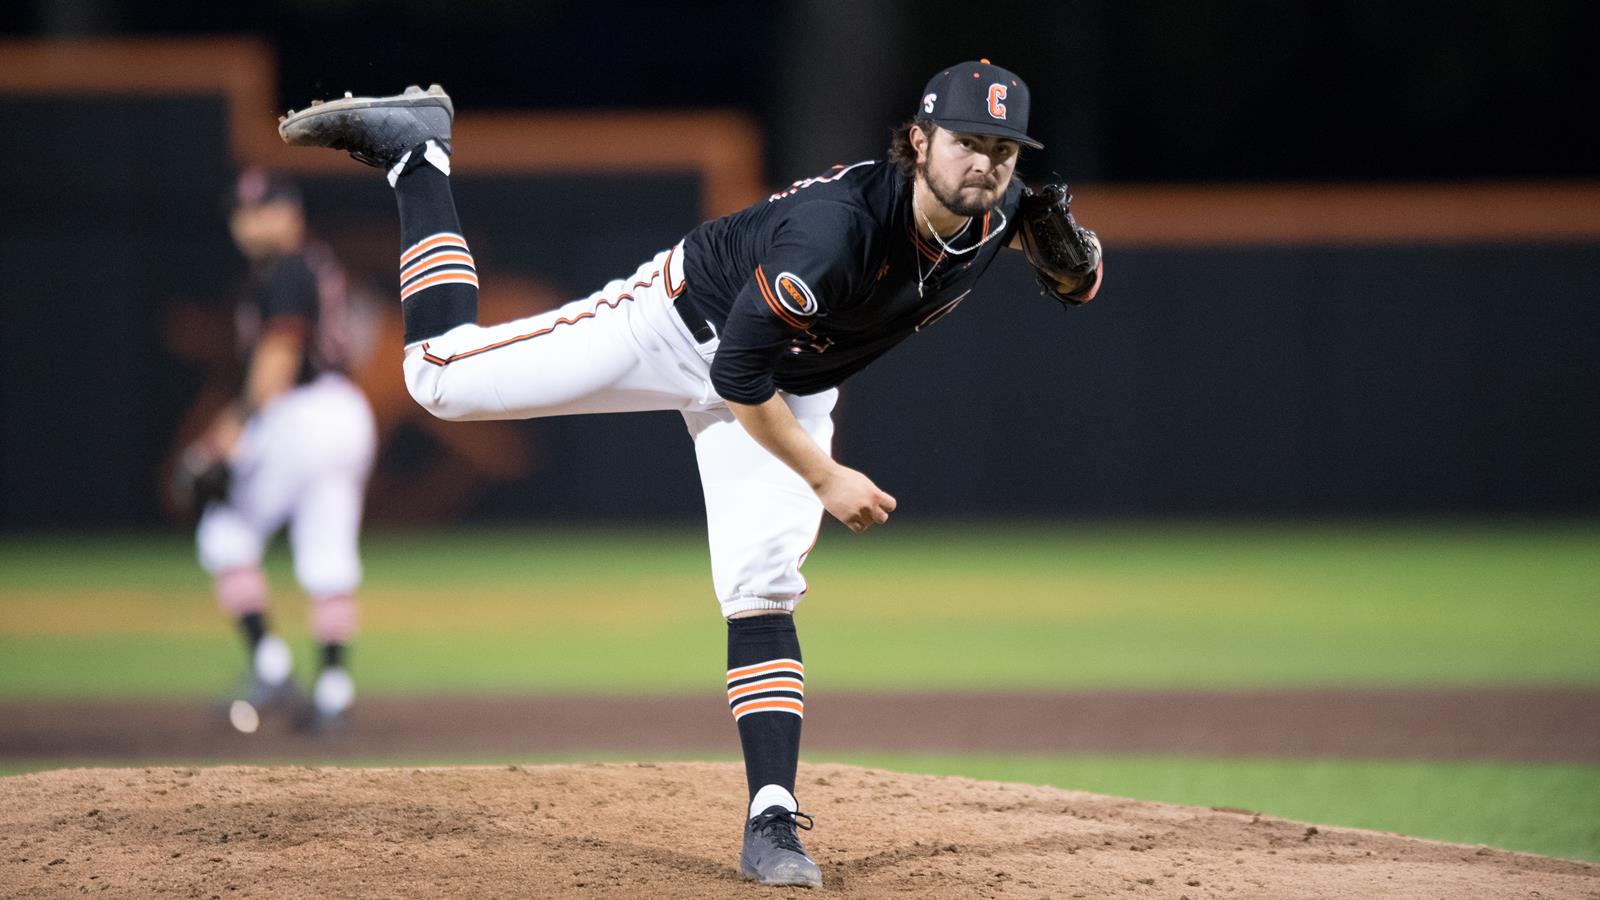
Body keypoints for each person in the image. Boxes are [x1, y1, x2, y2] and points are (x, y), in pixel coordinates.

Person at [278, 59, 1099, 887]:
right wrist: (824, 477)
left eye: (1003, 149)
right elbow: (737, 375)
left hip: (791, 381)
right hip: (677, 327)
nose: (985, 163)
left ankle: (772, 819)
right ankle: (419, 158)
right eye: (967, 142)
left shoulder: (999, 212)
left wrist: (1076, 265)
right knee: (437, 380)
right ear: (919, 141)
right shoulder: (836, 232)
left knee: (762, 587)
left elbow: (1077, 273)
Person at [177, 170, 377, 734]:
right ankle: (334, 690)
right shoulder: (316, 264)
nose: (249, 223)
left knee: (224, 533)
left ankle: (271, 666)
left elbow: (277, 365)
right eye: (241, 213)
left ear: (291, 213)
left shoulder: (285, 271)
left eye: (262, 209)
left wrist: (223, 439)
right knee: (329, 552)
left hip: (299, 413)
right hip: (345, 410)